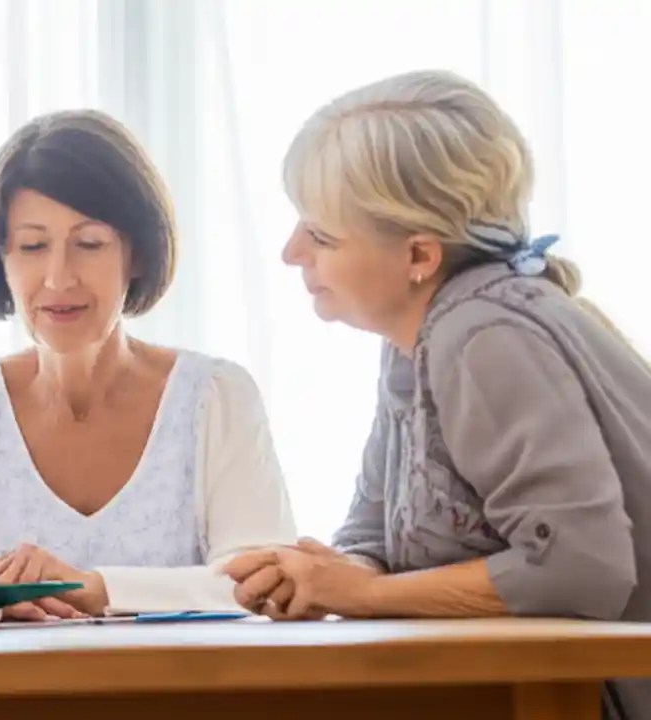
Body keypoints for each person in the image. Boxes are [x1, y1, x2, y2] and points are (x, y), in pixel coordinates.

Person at [224, 69, 651, 719]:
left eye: (321, 235)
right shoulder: (411, 340)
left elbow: (581, 568)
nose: (289, 253)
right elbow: (371, 531)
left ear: (419, 254)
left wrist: (363, 597)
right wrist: (323, 573)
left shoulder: (484, 337)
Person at [0, 109, 296, 621]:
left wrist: (93, 588)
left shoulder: (217, 397)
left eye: (89, 244)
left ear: (136, 254)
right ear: (1, 261)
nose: (58, 278)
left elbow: (265, 585)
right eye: (33, 246)